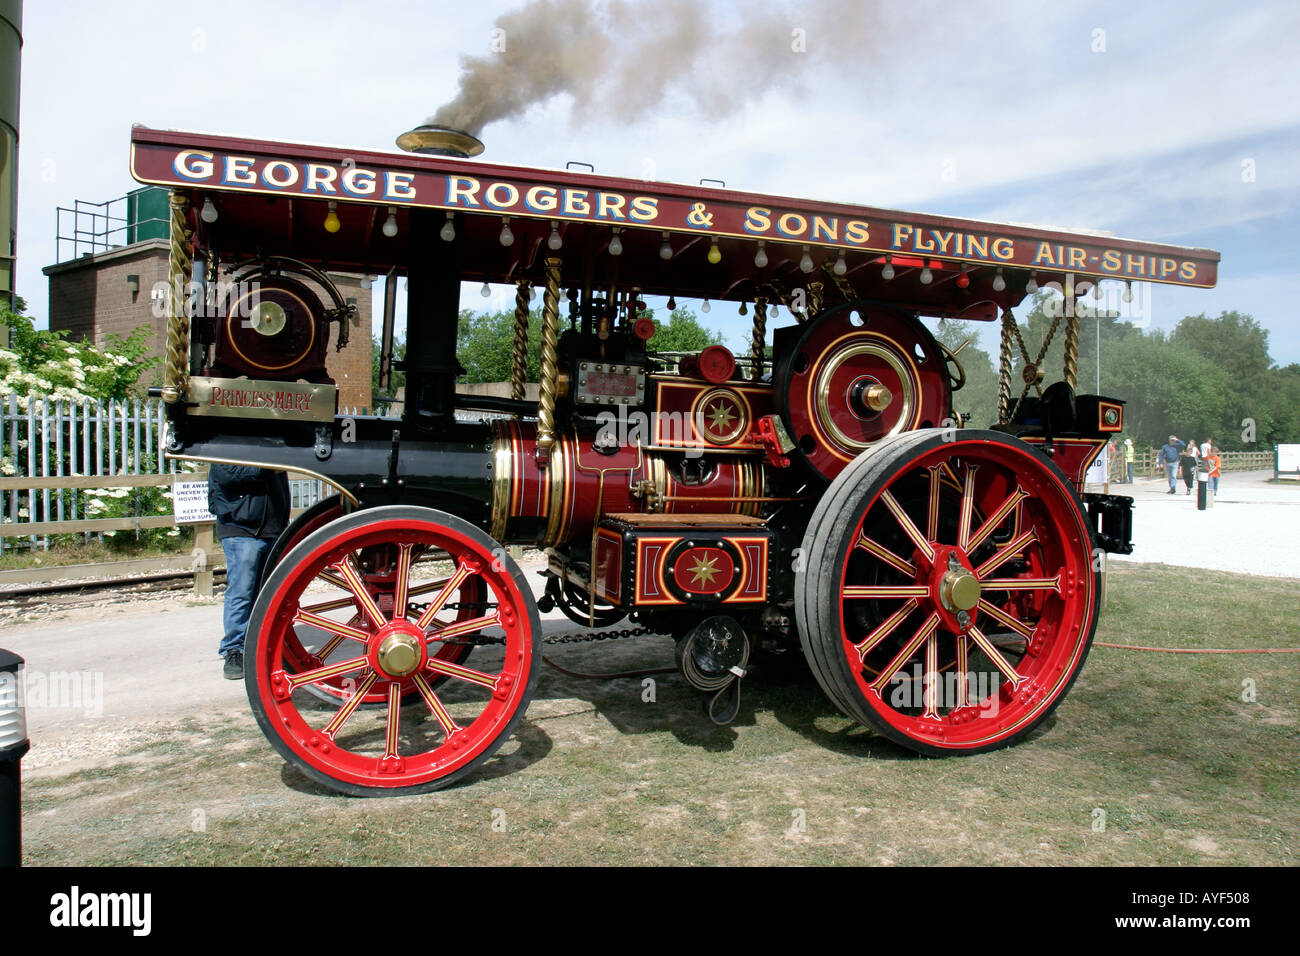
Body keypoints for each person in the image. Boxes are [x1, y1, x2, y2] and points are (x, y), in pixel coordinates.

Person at [208, 465, 291, 679]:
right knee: (241, 592)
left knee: (268, 594)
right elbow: (227, 474)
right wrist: (267, 469)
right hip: (241, 527)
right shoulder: (227, 445)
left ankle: (264, 647)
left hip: (271, 528)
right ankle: (234, 650)